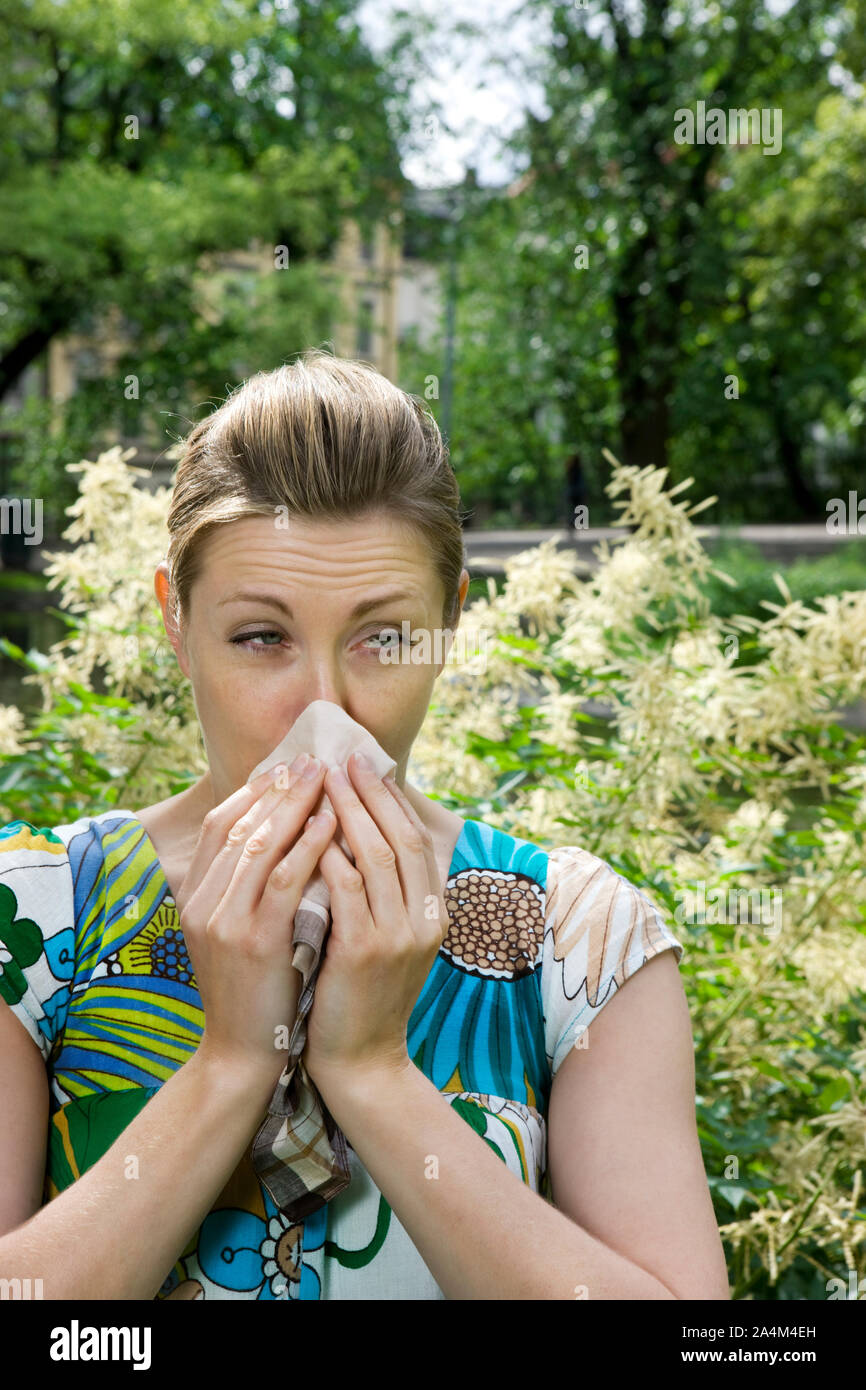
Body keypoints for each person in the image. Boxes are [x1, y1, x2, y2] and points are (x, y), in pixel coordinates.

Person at [0, 350, 730, 1301]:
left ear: (450, 625)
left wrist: (373, 1071)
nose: (327, 713)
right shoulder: (35, 919)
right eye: (262, 638)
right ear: (175, 621)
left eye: (382, 638)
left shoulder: (583, 939)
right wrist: (229, 1065)